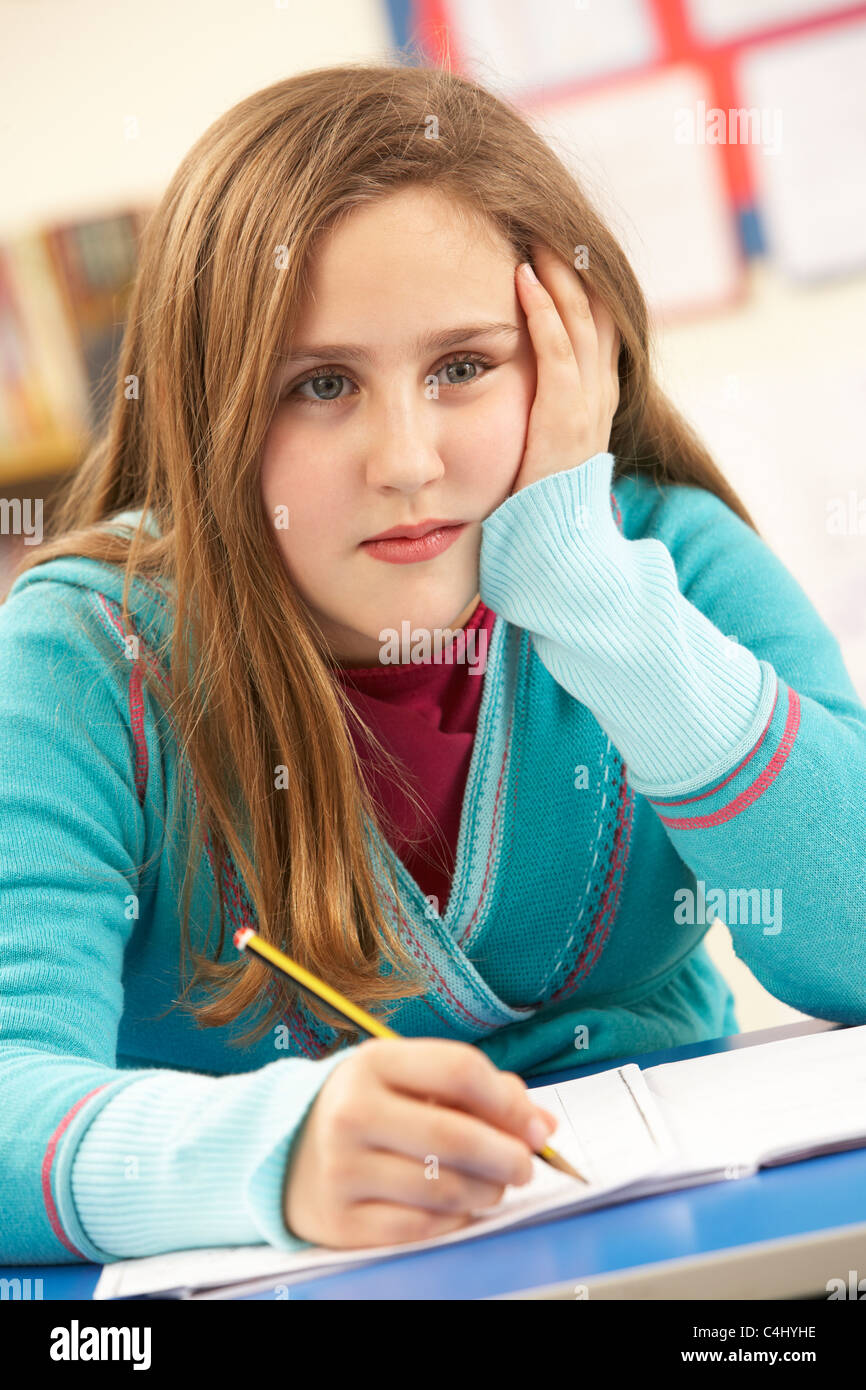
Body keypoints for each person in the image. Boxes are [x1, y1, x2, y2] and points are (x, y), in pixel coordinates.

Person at [2, 62, 864, 1265]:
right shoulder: (89, 656)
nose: (405, 460)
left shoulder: (661, 556)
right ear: (206, 411)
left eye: (463, 366)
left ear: (575, 358)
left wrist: (587, 588)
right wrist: (271, 1153)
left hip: (686, 1249)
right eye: (319, 385)